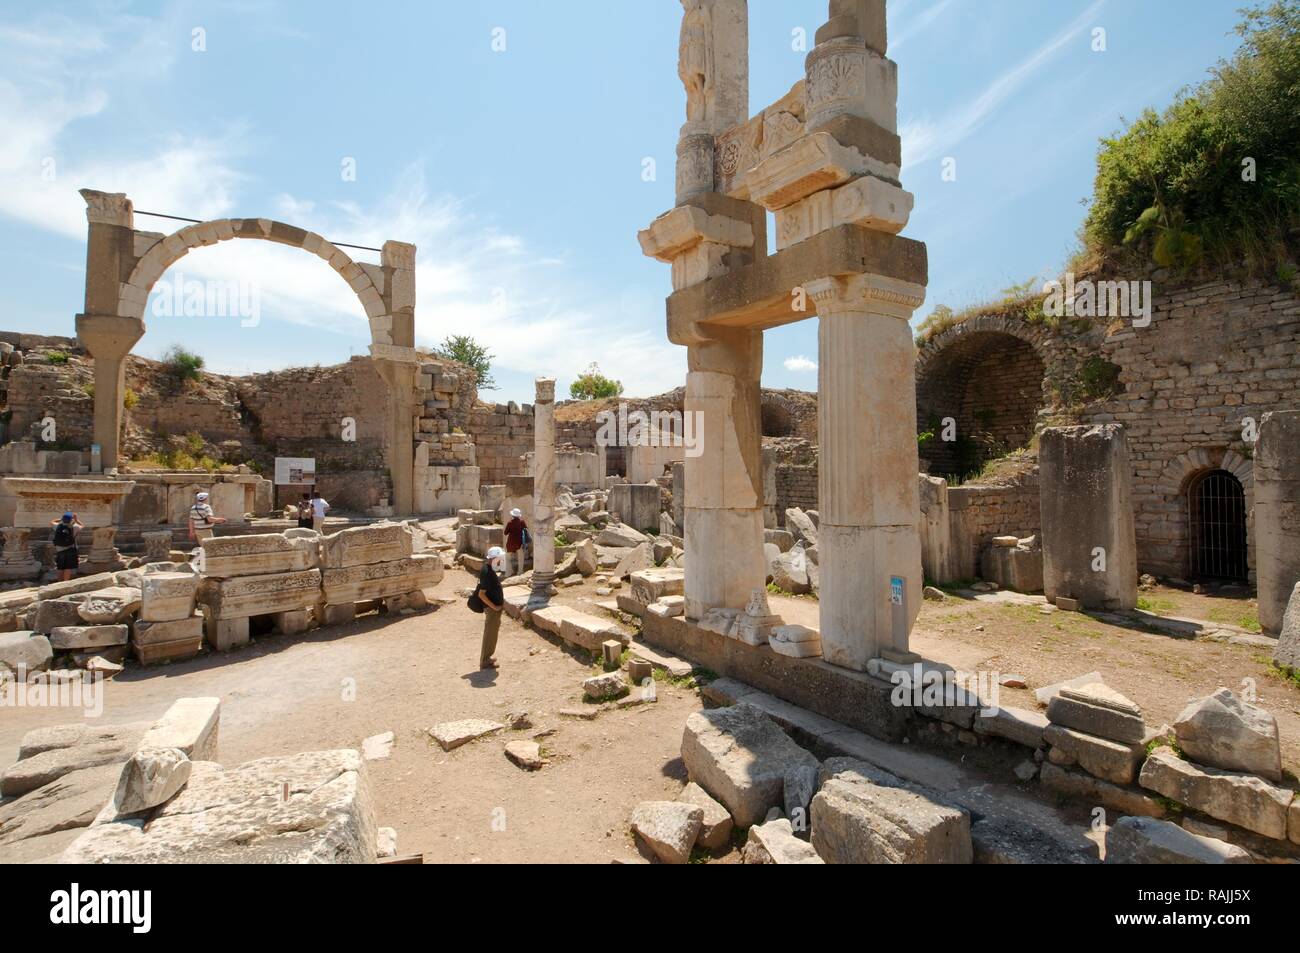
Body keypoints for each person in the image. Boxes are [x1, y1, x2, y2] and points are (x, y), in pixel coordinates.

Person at [474, 546, 507, 670]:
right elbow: (481, 594)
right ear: (493, 558)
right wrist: (495, 607)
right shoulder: (487, 572)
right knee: (490, 634)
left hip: (493, 609)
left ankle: (487, 657)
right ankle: (485, 661)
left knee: (492, 634)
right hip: (492, 609)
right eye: (500, 558)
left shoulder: (489, 569)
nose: (501, 560)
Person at [49, 512, 83, 581]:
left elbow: (51, 522)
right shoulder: (75, 527)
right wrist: (76, 520)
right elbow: (82, 525)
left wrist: (60, 519)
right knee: (68, 567)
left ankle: (59, 582)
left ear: (63, 519)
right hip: (71, 549)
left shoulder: (58, 526)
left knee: (60, 567)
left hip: (60, 550)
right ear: (71, 520)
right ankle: (65, 582)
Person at [504, 508, 529, 577]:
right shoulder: (522, 522)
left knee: (508, 558)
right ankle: (520, 572)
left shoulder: (510, 523)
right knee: (521, 557)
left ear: (512, 515)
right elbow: (526, 529)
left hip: (510, 543)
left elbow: (505, 533)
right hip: (520, 543)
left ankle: (508, 572)